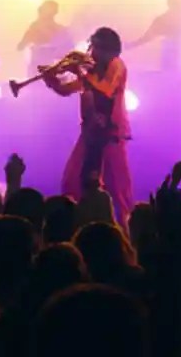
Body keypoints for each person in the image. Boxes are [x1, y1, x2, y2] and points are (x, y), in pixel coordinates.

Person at [44, 27, 134, 221]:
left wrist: (79, 71)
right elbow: (67, 90)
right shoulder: (91, 72)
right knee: (72, 183)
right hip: (91, 132)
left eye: (96, 49)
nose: (91, 53)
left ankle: (123, 234)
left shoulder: (116, 65)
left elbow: (106, 89)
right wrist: (51, 80)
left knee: (117, 190)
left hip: (111, 133)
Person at [128, 0, 181, 73]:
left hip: (176, 61)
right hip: (170, 60)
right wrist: (132, 45)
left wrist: (132, 45)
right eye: (178, 4)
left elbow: (148, 37)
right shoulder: (163, 20)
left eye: (180, 4)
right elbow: (148, 36)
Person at [17, 0, 73, 69]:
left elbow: (67, 47)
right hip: (38, 65)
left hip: (49, 65)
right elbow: (21, 46)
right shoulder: (35, 26)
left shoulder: (59, 29)